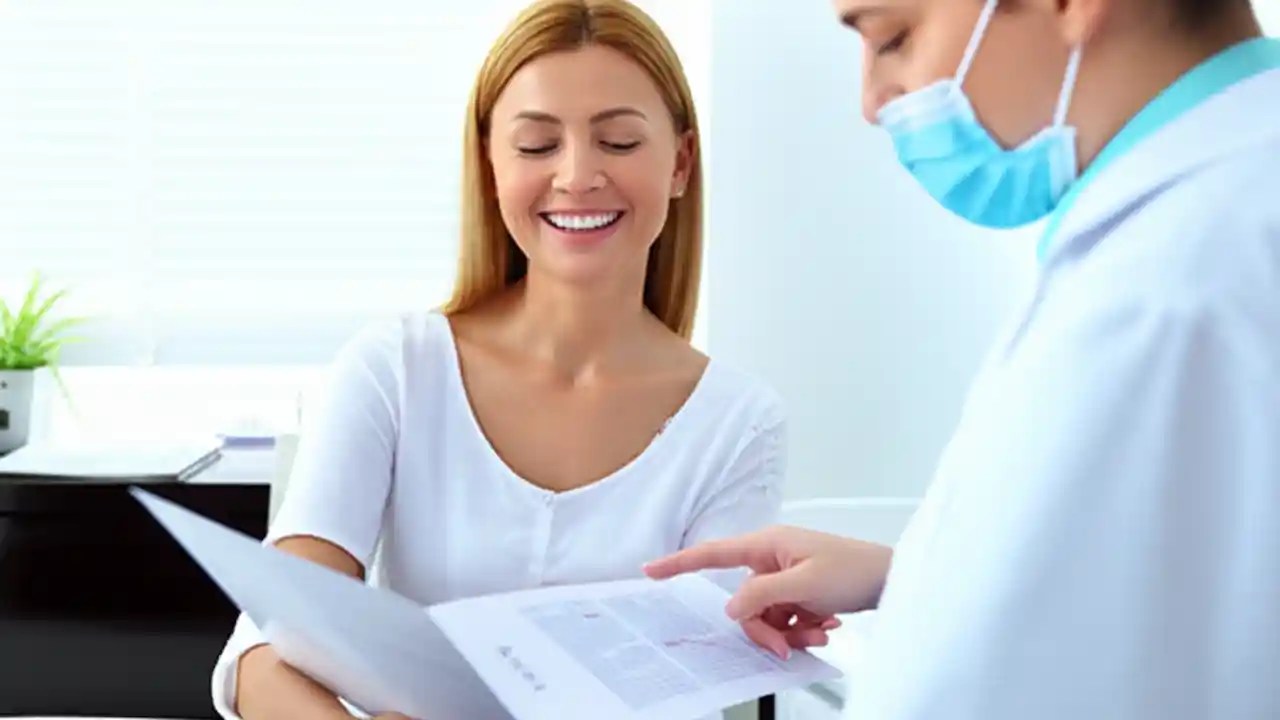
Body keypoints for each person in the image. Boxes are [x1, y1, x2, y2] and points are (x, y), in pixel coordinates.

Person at [646, 1, 1280, 718]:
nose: (870, 102)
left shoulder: (1168, 290)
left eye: (894, 38)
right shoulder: (1206, 219)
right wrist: (912, 579)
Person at [212, 1, 788, 718]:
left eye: (617, 141)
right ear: (489, 164)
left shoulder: (738, 423)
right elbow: (265, 650)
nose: (577, 175)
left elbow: (699, 676)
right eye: (538, 145)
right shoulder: (396, 369)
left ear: (680, 163)